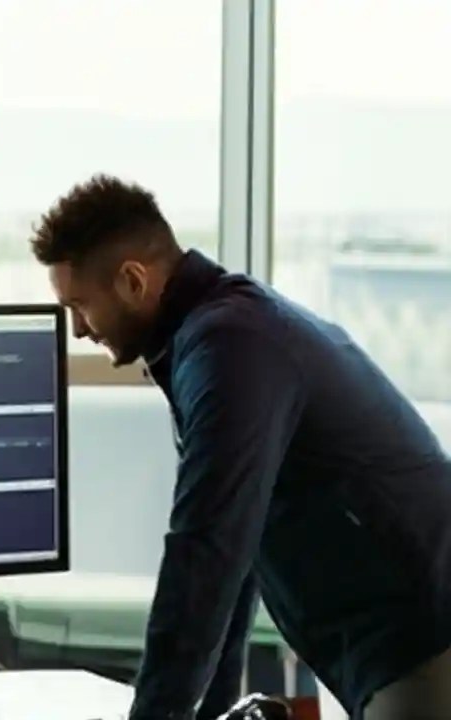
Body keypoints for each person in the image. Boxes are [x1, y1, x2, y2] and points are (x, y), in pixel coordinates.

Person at [30, 175, 451, 720]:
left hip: (423, 639)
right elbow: (236, 550)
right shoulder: (218, 333)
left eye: (80, 306)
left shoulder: (230, 347)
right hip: (399, 640)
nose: (79, 331)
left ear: (133, 281)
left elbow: (207, 551)